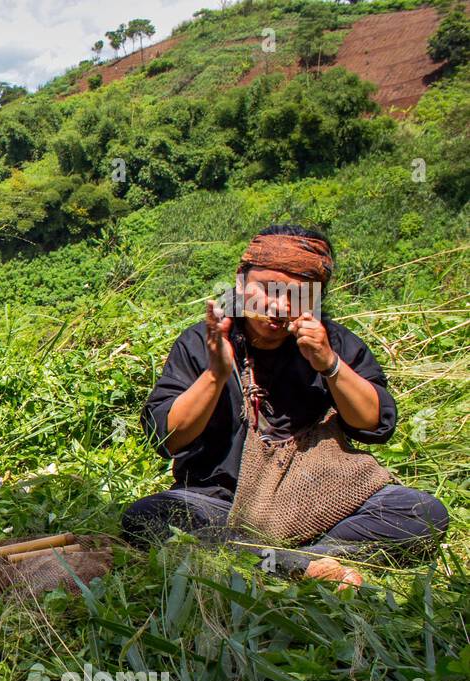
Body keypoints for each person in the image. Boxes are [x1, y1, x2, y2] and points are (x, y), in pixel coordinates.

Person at [123, 224, 448, 586]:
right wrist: (215, 374)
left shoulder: (336, 342)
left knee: (423, 512)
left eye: (297, 295)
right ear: (240, 282)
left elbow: (375, 425)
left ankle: (292, 558)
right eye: (266, 290)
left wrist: (329, 365)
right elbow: (167, 438)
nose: (279, 307)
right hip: (223, 504)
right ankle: (304, 562)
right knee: (150, 517)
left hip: (323, 500)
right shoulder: (201, 342)